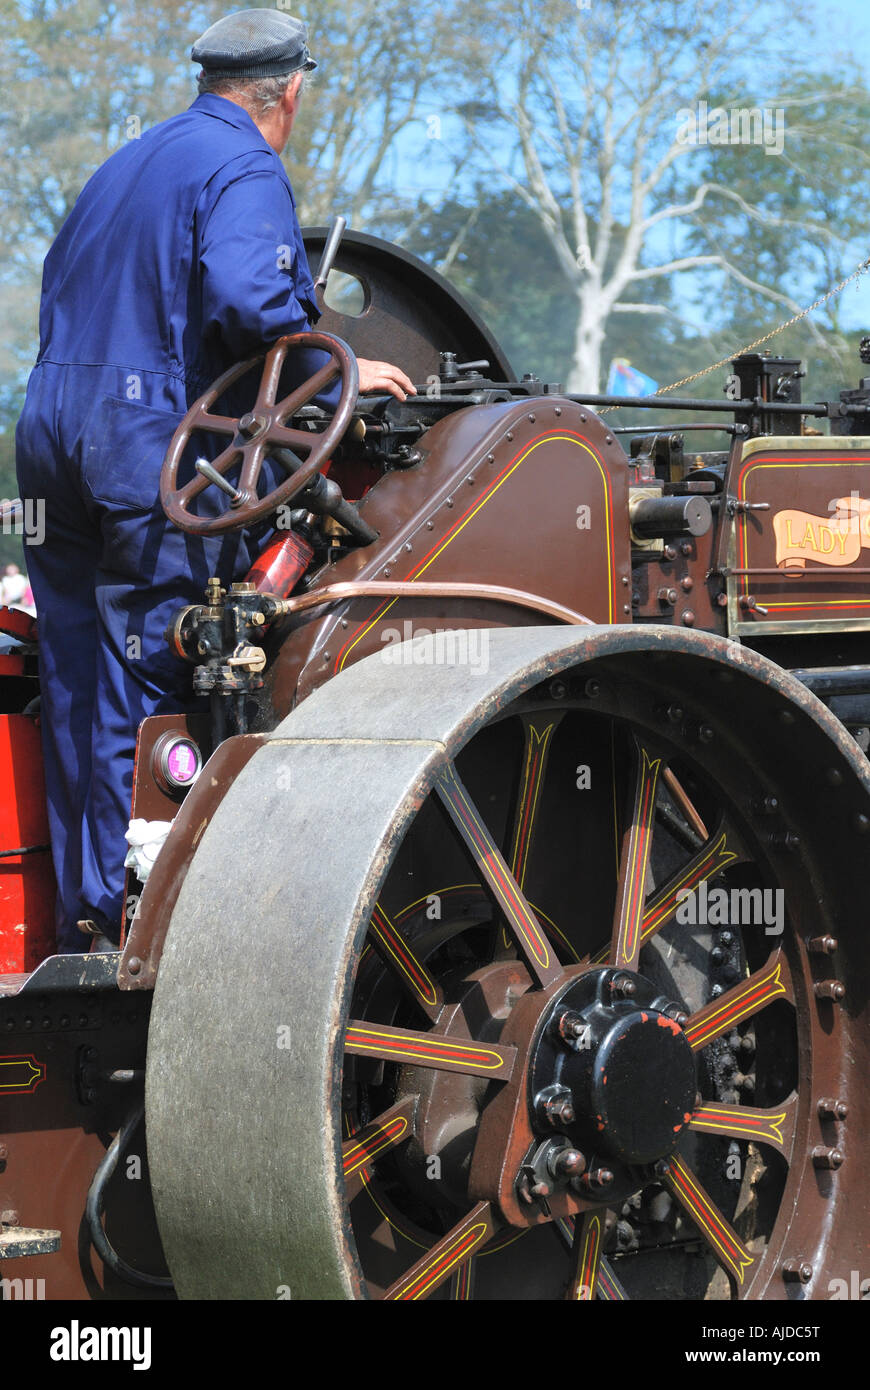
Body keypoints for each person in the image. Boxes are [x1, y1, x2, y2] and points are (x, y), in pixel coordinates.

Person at [15, 8, 415, 953]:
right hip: (142, 436)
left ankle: (84, 915)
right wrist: (339, 377)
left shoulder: (126, 163)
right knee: (162, 658)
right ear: (291, 92)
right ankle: (149, 926)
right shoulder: (244, 165)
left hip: (50, 429)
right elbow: (248, 297)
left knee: (77, 673)